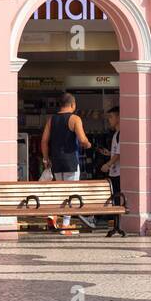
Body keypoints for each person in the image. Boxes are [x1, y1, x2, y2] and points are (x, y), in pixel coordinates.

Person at [40, 92, 95, 232]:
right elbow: (82, 140)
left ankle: (53, 214)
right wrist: (88, 144)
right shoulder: (75, 119)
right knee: (71, 191)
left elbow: (44, 141)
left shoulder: (51, 120)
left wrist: (46, 159)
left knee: (60, 190)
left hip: (56, 162)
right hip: (71, 160)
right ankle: (65, 224)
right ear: (73, 104)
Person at [100, 105, 122, 208]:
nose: (109, 120)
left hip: (118, 173)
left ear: (118, 117)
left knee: (117, 200)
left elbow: (119, 153)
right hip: (115, 173)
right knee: (115, 199)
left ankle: (119, 223)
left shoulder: (121, 134)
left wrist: (108, 164)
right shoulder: (116, 134)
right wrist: (109, 153)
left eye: (111, 117)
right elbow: (117, 152)